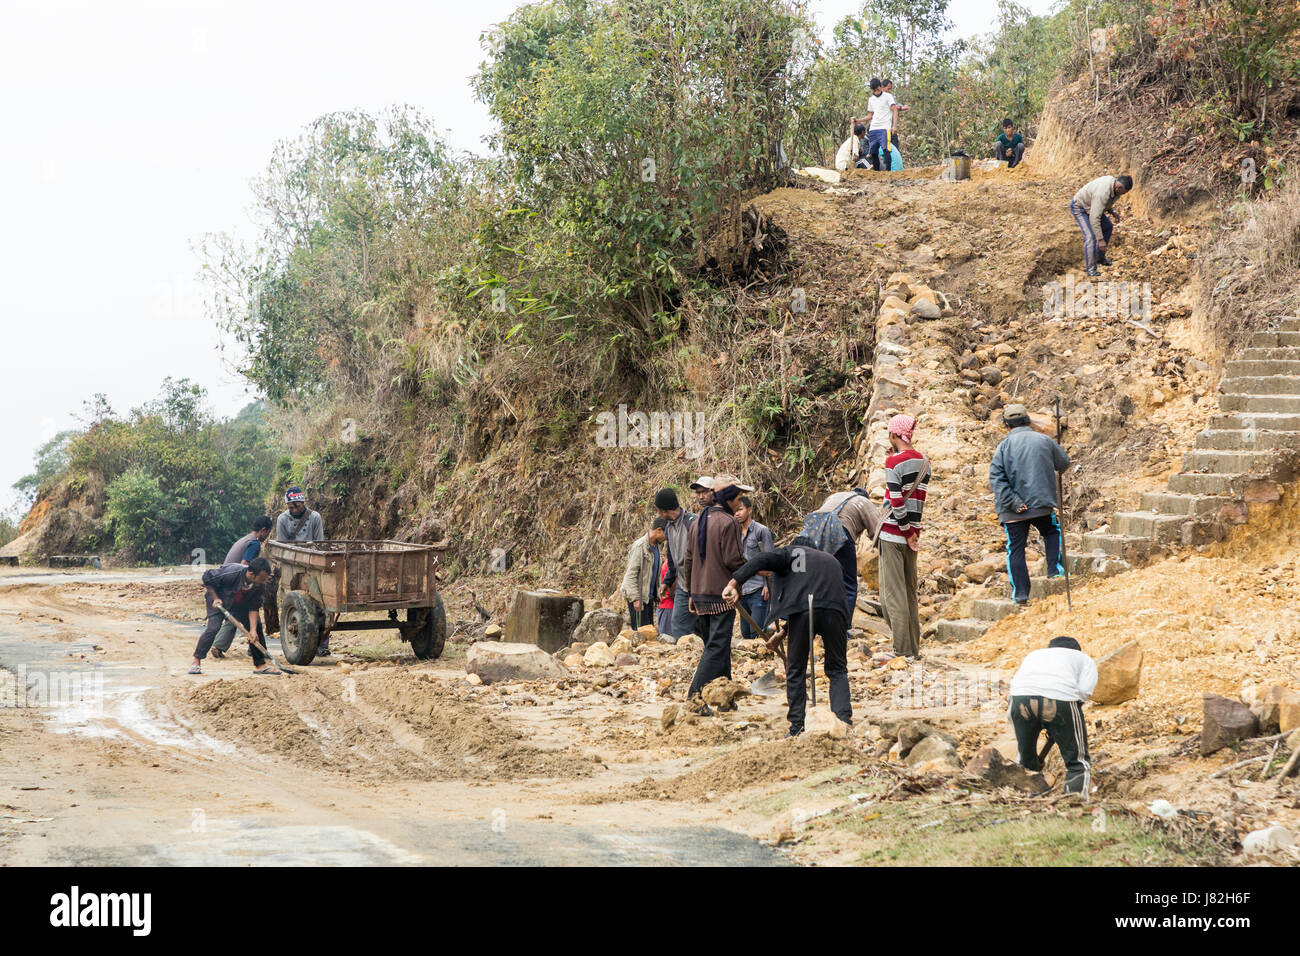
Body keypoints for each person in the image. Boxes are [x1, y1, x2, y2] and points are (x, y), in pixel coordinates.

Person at [723, 537, 852, 737]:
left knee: (795, 670)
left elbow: (762, 558)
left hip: (804, 611)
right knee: (837, 669)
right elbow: (818, 596)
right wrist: (783, 632)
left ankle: (797, 727)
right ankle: (843, 721)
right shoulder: (830, 560)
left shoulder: (791, 552)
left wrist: (734, 583)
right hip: (836, 611)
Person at [989, 403, 1071, 607]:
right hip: (1041, 504)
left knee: (1016, 549)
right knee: (1052, 531)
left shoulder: (1003, 447)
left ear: (1007, 425)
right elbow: (1064, 464)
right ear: (1027, 420)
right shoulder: (1044, 440)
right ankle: (1055, 570)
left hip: (1013, 512)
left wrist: (1014, 502)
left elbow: (996, 478)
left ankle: (1021, 595)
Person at [681, 474, 751, 708]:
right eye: (739, 498)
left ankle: (726, 698)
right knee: (716, 647)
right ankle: (695, 699)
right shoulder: (728, 522)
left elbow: (688, 559)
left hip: (700, 595)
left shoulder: (698, 520)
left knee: (718, 645)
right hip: (720, 595)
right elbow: (734, 560)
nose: (740, 503)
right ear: (730, 498)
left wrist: (691, 592)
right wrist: (754, 569)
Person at [1008, 636, 1097, 796]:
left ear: (1050, 648)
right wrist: (1063, 723)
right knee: (1077, 761)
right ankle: (1074, 800)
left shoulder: (1034, 655)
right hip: (1060, 699)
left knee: (1024, 758)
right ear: (1076, 651)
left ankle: (1026, 797)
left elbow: (1016, 685)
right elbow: (1083, 693)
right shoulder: (1084, 659)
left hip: (1020, 700)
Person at [877, 414, 931, 658]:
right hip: (913, 536)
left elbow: (897, 502)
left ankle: (901, 650)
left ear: (895, 435)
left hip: (893, 534)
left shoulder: (893, 462)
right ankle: (913, 648)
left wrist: (906, 531)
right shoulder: (924, 462)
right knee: (909, 593)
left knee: (891, 595)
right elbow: (918, 500)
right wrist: (913, 533)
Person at [189, 558, 278, 675]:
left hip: (241, 604)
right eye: (262, 578)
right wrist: (215, 598)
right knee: (213, 628)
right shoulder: (231, 573)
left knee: (256, 629)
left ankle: (260, 665)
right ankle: (196, 661)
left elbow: (254, 607)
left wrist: (251, 630)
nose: (264, 581)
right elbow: (207, 578)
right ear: (251, 574)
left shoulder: (260, 585)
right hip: (219, 601)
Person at [808, 487, 877, 618]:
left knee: (818, 579)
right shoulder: (864, 502)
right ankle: (844, 627)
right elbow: (876, 531)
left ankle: (812, 622)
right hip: (840, 531)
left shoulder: (835, 495)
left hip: (814, 532)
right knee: (848, 584)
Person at [212, 516, 274, 659]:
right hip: (234, 584)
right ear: (263, 530)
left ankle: (254, 649)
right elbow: (244, 563)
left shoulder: (245, 539)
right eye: (268, 533)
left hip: (225, 582)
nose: (267, 536)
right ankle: (256, 650)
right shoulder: (254, 543)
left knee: (237, 613)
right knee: (243, 613)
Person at [1070, 173, 1132, 276]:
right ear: (1118, 187)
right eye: (1123, 192)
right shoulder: (1103, 192)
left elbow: (1104, 203)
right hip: (1080, 207)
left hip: (1092, 206)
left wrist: (1112, 212)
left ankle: (1100, 257)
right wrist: (1101, 240)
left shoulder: (1114, 186)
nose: (1122, 195)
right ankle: (1091, 270)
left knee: (1108, 227)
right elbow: (1094, 218)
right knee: (1091, 237)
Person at [654, 488, 695, 643]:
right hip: (683, 585)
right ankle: (685, 657)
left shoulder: (692, 523)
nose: (658, 513)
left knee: (701, 624)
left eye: (658, 509)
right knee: (678, 624)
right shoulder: (669, 528)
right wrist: (666, 582)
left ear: (664, 510)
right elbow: (672, 561)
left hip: (699, 584)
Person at [732, 495, 773, 640]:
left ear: (749, 510)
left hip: (758, 589)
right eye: (735, 510)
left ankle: (764, 659)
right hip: (742, 590)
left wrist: (767, 586)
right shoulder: (734, 533)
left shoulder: (762, 531)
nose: (737, 513)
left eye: (740, 509)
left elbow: (770, 561)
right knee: (745, 633)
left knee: (757, 632)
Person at [621, 518, 665, 630]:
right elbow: (630, 575)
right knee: (641, 634)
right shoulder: (640, 547)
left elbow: (654, 572)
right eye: (666, 534)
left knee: (649, 633)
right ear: (659, 530)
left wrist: (656, 594)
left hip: (648, 598)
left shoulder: (656, 546)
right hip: (639, 598)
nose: (666, 539)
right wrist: (636, 599)